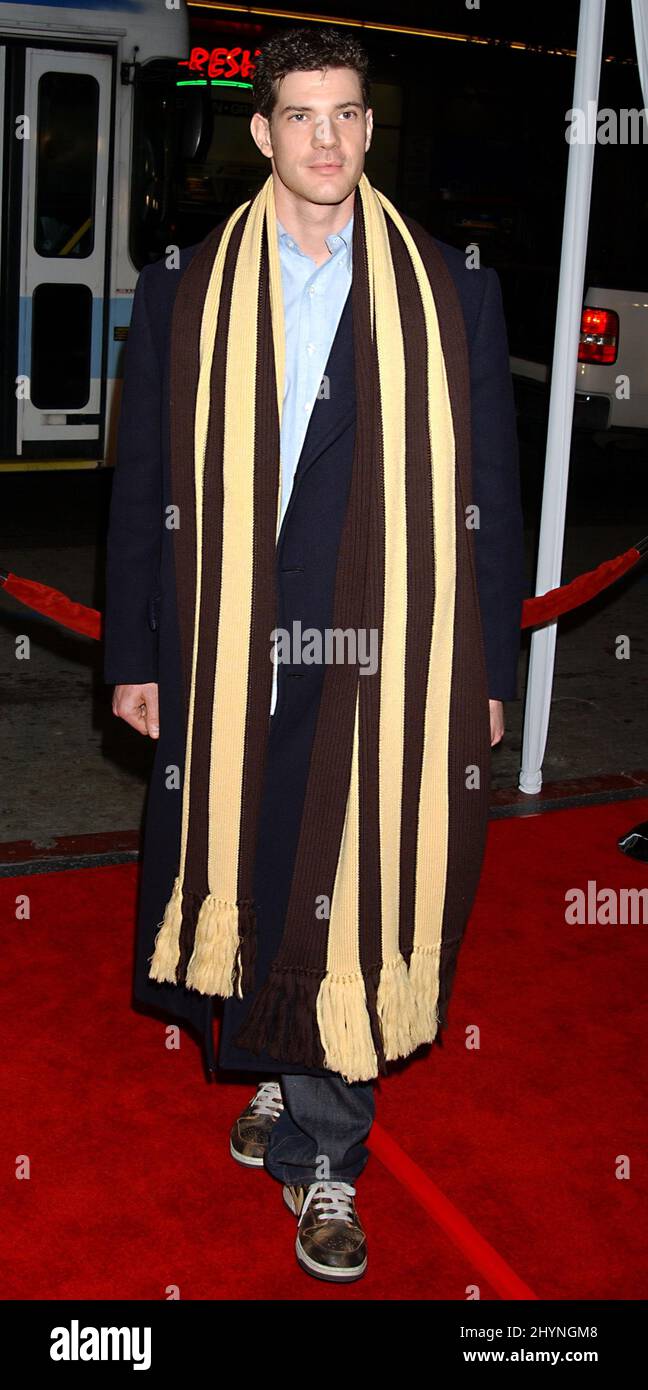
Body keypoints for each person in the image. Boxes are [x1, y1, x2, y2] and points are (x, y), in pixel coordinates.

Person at [104, 25, 525, 1286]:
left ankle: (325, 1150)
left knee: (359, 875)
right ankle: (287, 1080)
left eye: (348, 114)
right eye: (301, 115)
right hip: (228, 636)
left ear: (367, 128)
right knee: (257, 858)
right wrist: (133, 648)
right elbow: (143, 485)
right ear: (260, 133)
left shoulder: (452, 286)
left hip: (383, 648)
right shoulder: (185, 283)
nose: (327, 138)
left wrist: (492, 672)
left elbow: (490, 495)